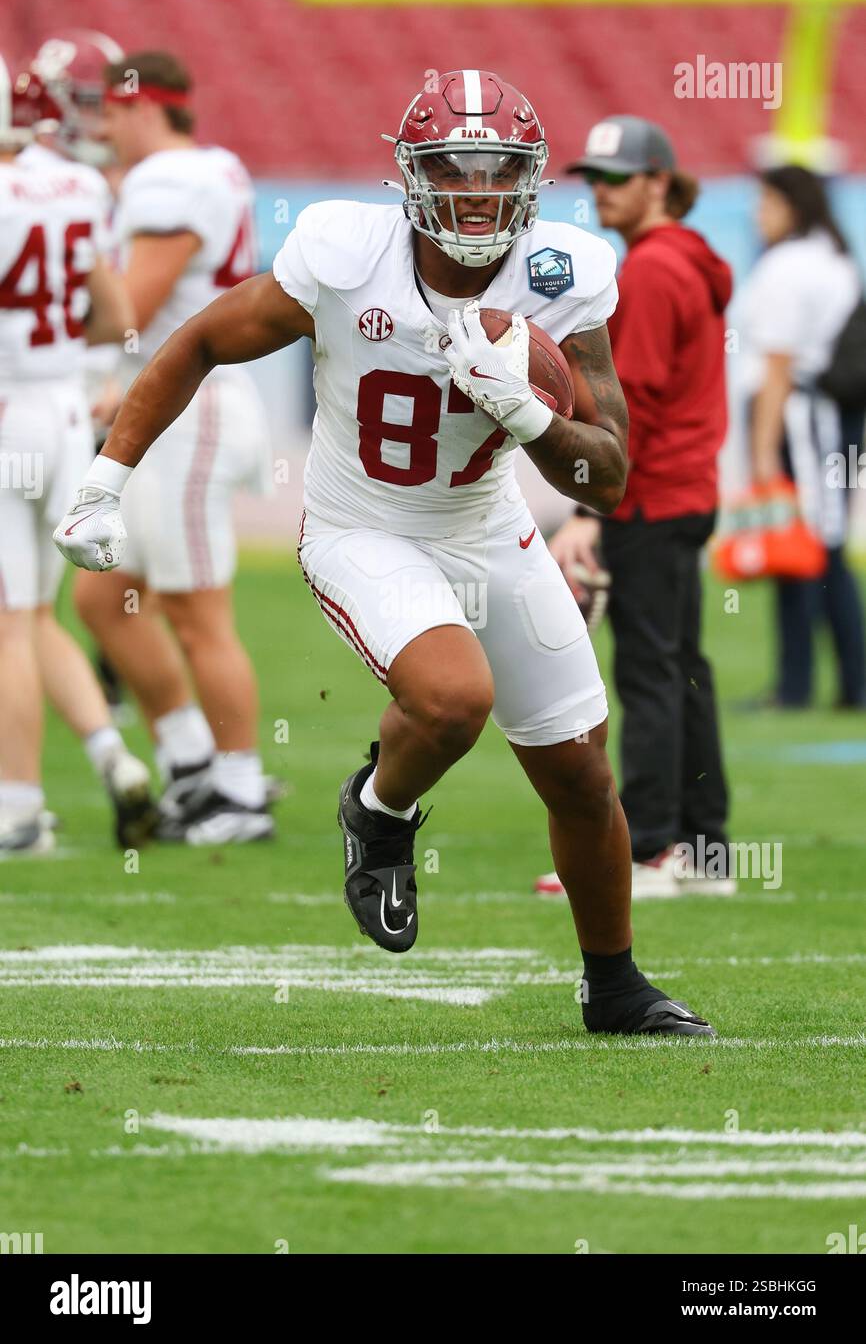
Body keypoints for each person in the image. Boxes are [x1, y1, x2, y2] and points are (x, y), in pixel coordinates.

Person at [54, 70, 716, 1038]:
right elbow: (197, 339)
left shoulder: (560, 274)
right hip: (362, 523)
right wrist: (104, 481)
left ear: (530, 181)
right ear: (412, 176)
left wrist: (526, 410)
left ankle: (612, 985)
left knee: (579, 773)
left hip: (487, 526)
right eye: (459, 169)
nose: (481, 193)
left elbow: (607, 478)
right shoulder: (344, 253)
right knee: (453, 698)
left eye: (502, 173)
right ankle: (380, 808)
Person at [70, 50, 276, 845]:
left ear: (142, 108)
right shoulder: (210, 166)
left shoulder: (168, 182)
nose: (103, 132)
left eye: (111, 115)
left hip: (192, 411)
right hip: (177, 406)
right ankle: (191, 762)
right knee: (102, 600)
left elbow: (131, 309)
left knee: (197, 613)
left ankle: (240, 788)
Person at [544, 115, 733, 899]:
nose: (602, 191)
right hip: (686, 490)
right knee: (681, 669)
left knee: (651, 672)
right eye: (594, 178)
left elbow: (638, 403)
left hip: (651, 494)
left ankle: (655, 847)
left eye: (617, 177)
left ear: (660, 180)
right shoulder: (685, 261)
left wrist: (593, 506)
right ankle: (704, 850)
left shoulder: (654, 269)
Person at [0, 54, 154, 855]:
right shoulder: (73, 185)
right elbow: (114, 311)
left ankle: (19, 809)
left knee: (6, 626)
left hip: (6, 417)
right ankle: (113, 759)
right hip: (61, 414)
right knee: (25, 617)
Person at [731, 164, 864, 709]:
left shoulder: (789, 265)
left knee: (813, 547)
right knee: (815, 546)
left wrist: (762, 451)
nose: (758, 215)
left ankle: (806, 684)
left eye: (767, 204)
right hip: (826, 418)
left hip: (807, 420)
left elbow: (779, 365)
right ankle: (835, 682)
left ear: (793, 205)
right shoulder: (833, 257)